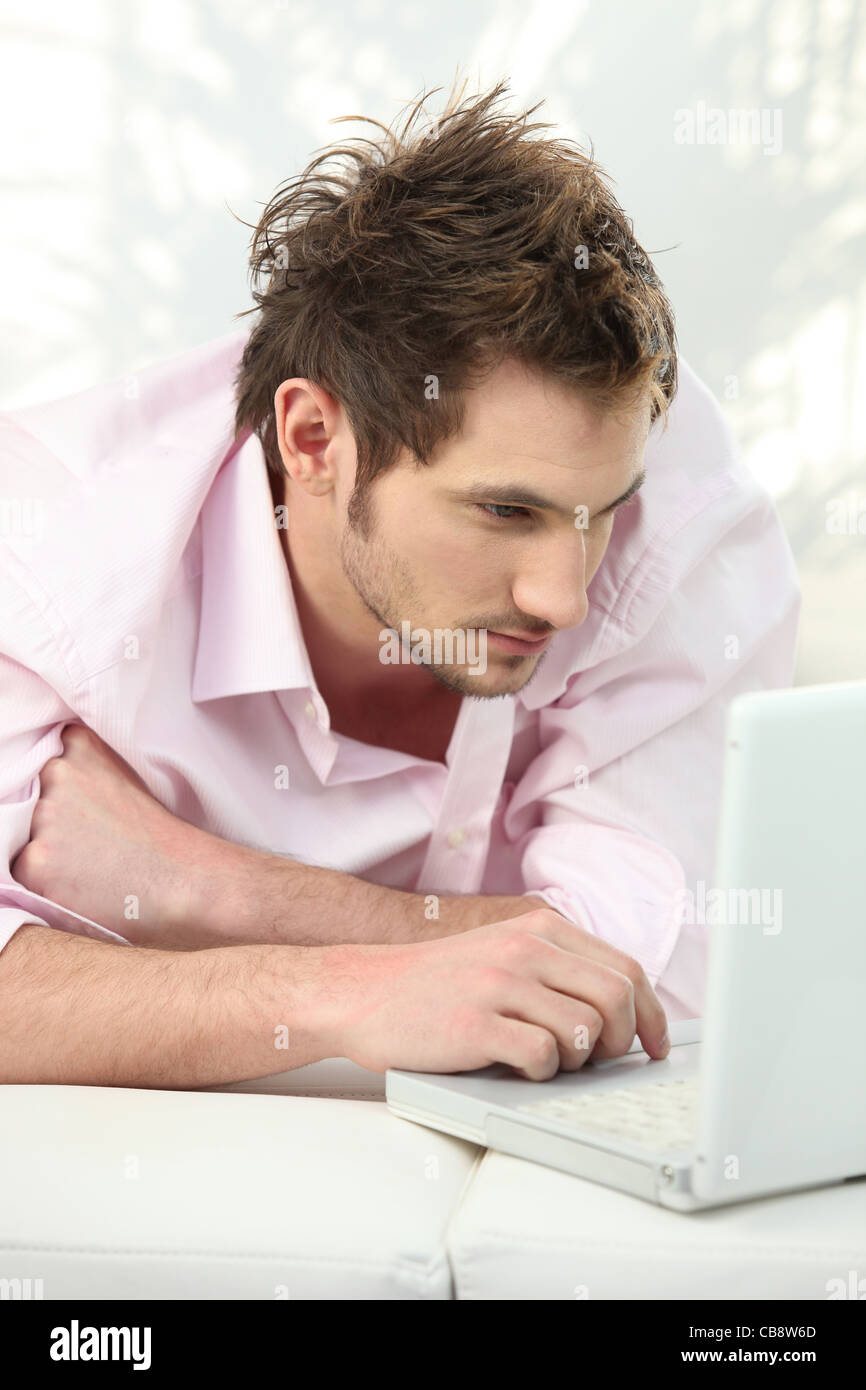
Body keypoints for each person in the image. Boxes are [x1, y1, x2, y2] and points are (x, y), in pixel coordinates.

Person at [0, 80, 800, 1089]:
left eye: (598, 515)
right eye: (503, 512)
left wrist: (212, 889)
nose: (562, 597)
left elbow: (652, 991)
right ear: (313, 440)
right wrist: (333, 993)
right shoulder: (43, 558)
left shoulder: (678, 507)